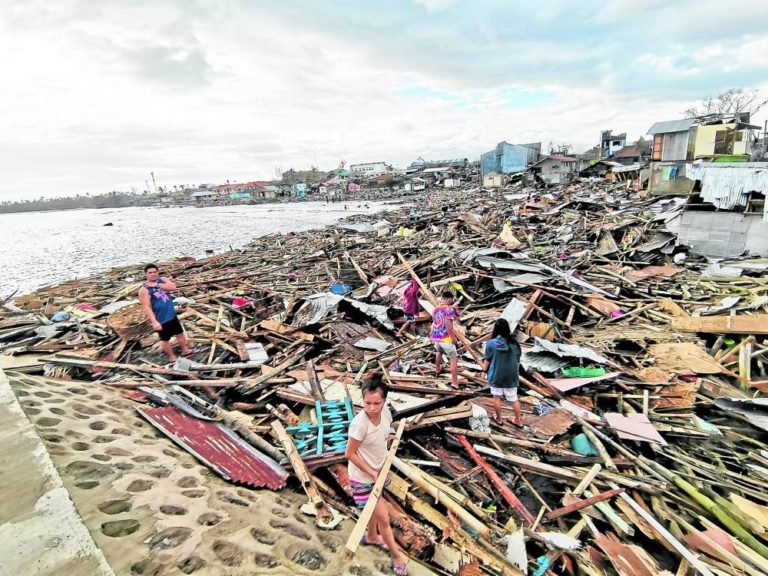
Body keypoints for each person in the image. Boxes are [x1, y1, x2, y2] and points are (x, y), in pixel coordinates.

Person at [345, 376, 407, 575]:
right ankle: (397, 557)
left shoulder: (386, 413)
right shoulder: (359, 425)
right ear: (362, 400)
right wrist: (371, 472)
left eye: (377, 403)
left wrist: (390, 438)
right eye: (367, 403)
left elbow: (382, 433)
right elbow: (349, 454)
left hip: (378, 471)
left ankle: (372, 537)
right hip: (362, 478)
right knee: (384, 520)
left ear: (384, 401)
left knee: (372, 508)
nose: (372, 408)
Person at [138, 263, 191, 361]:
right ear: (146, 274)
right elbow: (147, 307)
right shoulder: (144, 290)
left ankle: (185, 350)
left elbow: (173, 287)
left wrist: (157, 285)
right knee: (165, 339)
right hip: (161, 318)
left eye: (155, 272)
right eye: (150, 273)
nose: (153, 274)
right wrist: (154, 322)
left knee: (180, 333)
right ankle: (172, 357)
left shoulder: (162, 280)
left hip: (172, 314)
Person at [483, 319, 522, 425]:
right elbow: (517, 360)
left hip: (496, 374)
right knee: (514, 398)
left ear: (496, 329)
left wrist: (483, 371)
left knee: (496, 397)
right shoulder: (515, 344)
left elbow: (487, 359)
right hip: (511, 375)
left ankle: (499, 419)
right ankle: (518, 421)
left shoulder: (491, 343)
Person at [431, 290, 459, 388]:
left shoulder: (435, 309)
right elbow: (448, 324)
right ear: (448, 300)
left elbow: (435, 323)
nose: (451, 302)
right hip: (446, 338)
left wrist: (432, 335)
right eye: (451, 301)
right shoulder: (448, 309)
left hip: (437, 337)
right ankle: (454, 382)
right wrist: (453, 338)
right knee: (454, 359)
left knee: (439, 352)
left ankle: (437, 369)